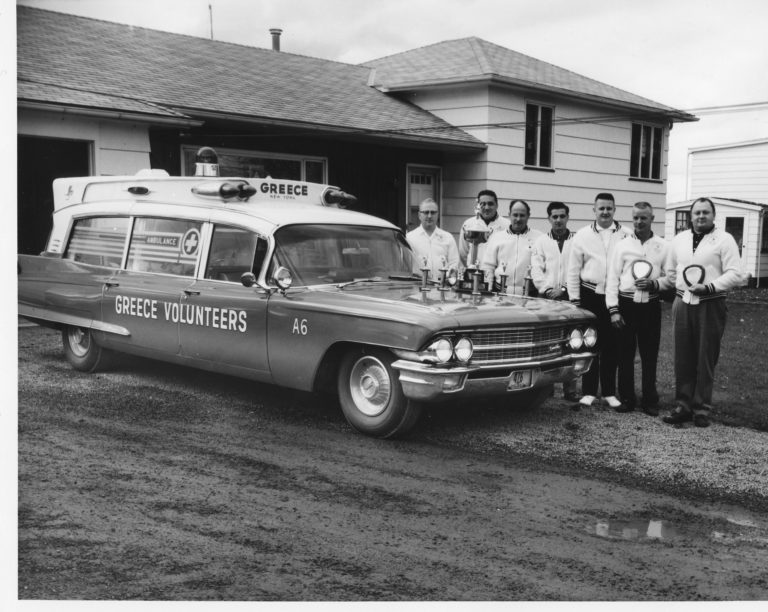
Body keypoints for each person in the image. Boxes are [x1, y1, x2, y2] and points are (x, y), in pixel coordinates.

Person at [662, 197, 744, 428]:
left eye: (705, 212)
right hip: (683, 301)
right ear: (691, 215)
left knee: (705, 357)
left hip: (711, 302)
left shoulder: (724, 240)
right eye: (697, 212)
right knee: (683, 357)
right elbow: (670, 269)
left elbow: (735, 273)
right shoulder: (679, 239)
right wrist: (676, 287)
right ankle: (683, 405)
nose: (701, 216)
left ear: (713, 215)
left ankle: (701, 408)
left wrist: (709, 287)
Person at [605, 202, 671, 416]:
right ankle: (627, 398)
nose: (639, 222)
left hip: (650, 305)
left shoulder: (662, 246)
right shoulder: (622, 245)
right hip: (626, 304)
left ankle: (650, 400)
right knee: (624, 354)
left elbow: (671, 277)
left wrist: (655, 284)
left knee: (649, 354)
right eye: (635, 218)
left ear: (652, 218)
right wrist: (613, 309)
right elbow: (612, 278)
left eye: (643, 218)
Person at [567, 192, 631, 410]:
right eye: (601, 208)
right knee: (589, 343)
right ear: (593, 210)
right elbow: (573, 270)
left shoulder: (626, 235)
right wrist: (575, 301)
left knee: (612, 345)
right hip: (589, 295)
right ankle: (588, 391)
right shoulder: (582, 235)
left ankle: (610, 393)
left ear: (615, 209)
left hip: (615, 297)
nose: (605, 212)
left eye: (609, 208)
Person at [532, 201, 579, 401]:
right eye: (554, 216)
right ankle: (547, 386)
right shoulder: (541, 242)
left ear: (567, 217)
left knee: (572, 342)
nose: (558, 220)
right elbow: (536, 269)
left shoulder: (577, 241)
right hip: (547, 298)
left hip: (570, 297)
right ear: (549, 219)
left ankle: (571, 388)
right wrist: (549, 289)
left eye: (562, 216)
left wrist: (565, 289)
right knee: (549, 343)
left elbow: (579, 268)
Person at [480, 199, 543, 295]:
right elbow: (488, 265)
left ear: (528, 216)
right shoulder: (497, 237)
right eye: (515, 215)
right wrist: (487, 289)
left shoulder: (539, 238)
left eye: (522, 215)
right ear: (509, 215)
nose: (518, 219)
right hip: (500, 292)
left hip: (529, 294)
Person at [405, 198, 459, 280]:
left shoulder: (448, 237)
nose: (429, 216)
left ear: (437, 215)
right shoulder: (410, 238)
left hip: (442, 287)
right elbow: (405, 265)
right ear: (419, 215)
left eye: (433, 212)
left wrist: (446, 278)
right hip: (418, 287)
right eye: (426, 212)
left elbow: (454, 264)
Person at [458, 189, 508, 268]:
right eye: (483, 204)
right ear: (478, 205)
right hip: (474, 274)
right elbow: (463, 253)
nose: (487, 207)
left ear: (497, 205)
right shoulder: (468, 224)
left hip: (496, 275)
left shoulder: (507, 225)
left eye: (490, 204)